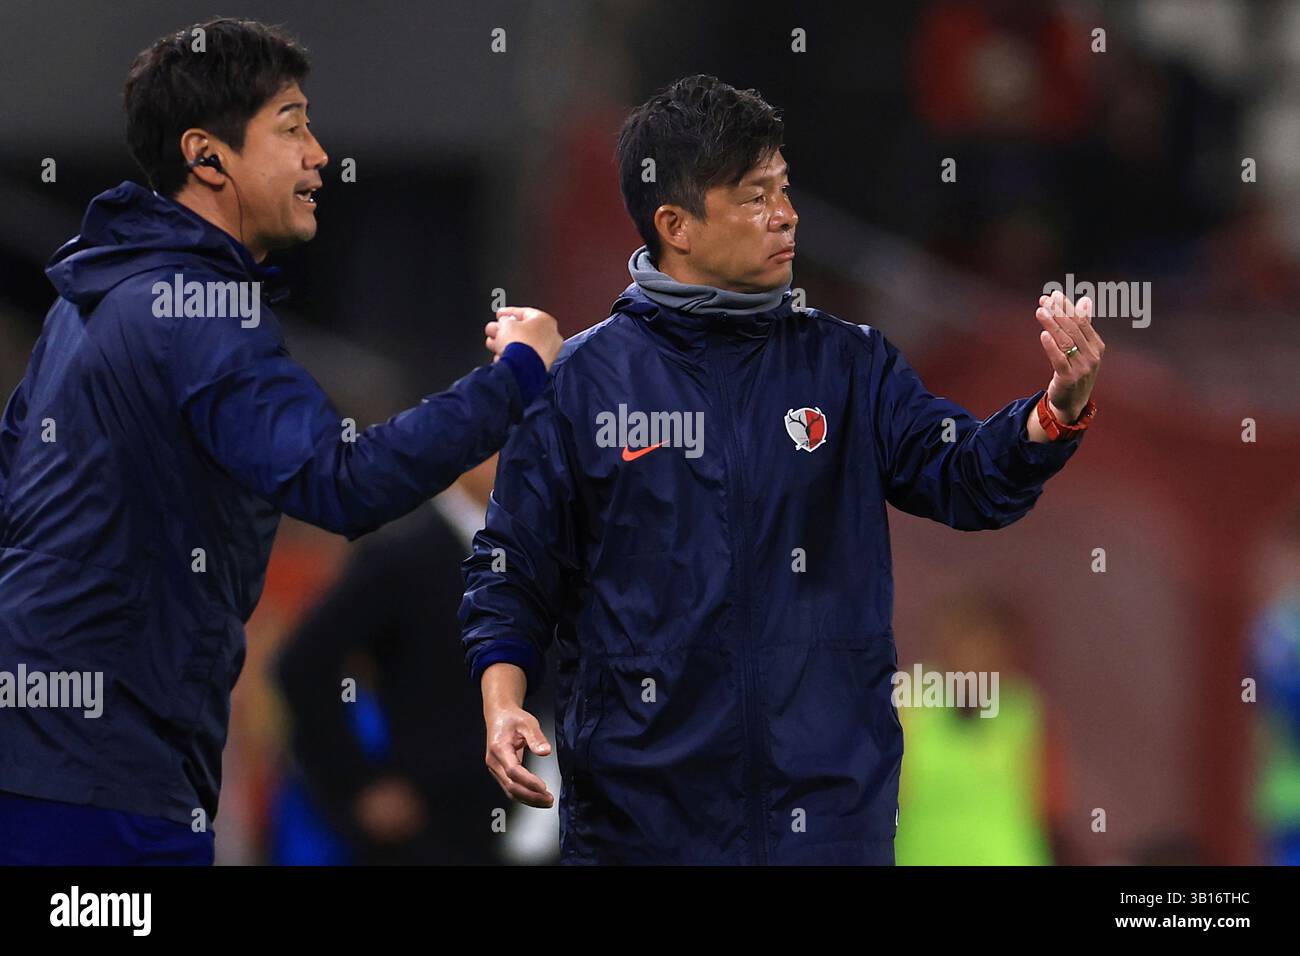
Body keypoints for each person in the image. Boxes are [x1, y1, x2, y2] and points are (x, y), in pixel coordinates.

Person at [461, 75, 1103, 864]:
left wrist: (1050, 415)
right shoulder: (580, 385)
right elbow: (511, 570)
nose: (787, 214)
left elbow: (965, 478)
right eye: (756, 194)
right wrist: (504, 705)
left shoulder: (850, 365)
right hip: (641, 828)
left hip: (828, 823)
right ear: (677, 225)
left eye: (785, 187)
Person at [0, 18, 561, 865]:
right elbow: (341, 481)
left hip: (62, 756)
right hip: (96, 773)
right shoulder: (197, 312)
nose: (319, 154)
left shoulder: (95, 299)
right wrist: (515, 379)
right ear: (207, 155)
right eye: (292, 126)